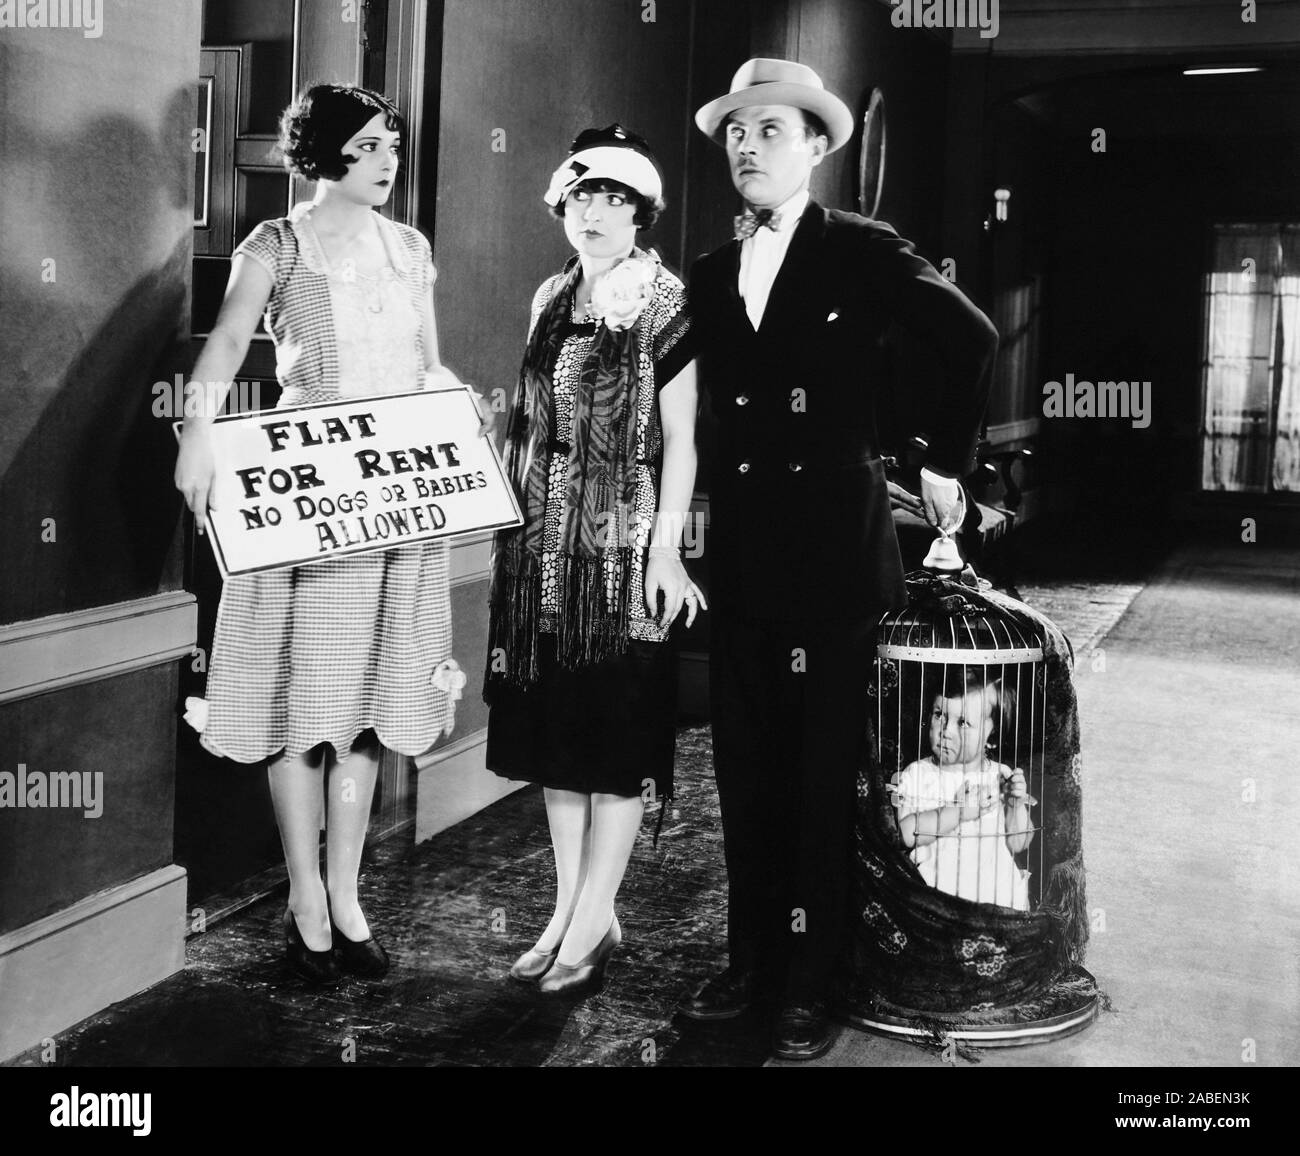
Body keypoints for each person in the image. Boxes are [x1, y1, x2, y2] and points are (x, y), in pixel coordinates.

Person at [678, 58, 998, 1059]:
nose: (747, 147)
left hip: (835, 567)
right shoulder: (708, 272)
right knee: (745, 774)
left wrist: (944, 461)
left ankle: (812, 983)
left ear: (815, 148)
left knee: (821, 786)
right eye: (736, 132)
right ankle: (750, 964)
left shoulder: (859, 249)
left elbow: (973, 338)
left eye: (770, 131)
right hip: (741, 562)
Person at [175, 84, 471, 985]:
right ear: (328, 152)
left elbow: (427, 364)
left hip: (395, 499)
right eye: (373, 145)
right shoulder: (277, 243)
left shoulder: (410, 249)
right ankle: (304, 896)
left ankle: (348, 894)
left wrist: (460, 429)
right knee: (303, 709)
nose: (389, 161)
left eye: (393, 146)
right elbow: (227, 345)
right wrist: (196, 433)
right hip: (309, 497)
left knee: (367, 715)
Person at [484, 125, 702, 997]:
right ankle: (577, 911)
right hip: (542, 546)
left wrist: (668, 548)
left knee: (614, 741)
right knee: (558, 738)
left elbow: (682, 440)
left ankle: (591, 919)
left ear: (641, 211)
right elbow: (533, 424)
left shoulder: (664, 300)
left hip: (619, 545)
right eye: (580, 197)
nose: (595, 213)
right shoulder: (549, 297)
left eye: (614, 199)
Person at [891, 671, 1035, 910]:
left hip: (995, 896)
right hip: (937, 897)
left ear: (992, 737)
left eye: (963, 722)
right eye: (939, 715)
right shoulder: (918, 773)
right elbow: (906, 834)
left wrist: (1015, 805)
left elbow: (1019, 843)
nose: (946, 730)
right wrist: (957, 813)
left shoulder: (1000, 776)